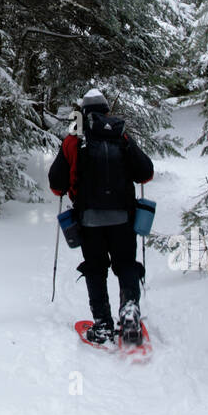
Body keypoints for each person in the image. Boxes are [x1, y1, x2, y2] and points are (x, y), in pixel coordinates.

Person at [48, 88, 154, 345]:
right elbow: (145, 173)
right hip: (123, 218)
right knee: (126, 265)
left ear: (83, 112)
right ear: (107, 111)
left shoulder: (74, 140)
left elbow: (56, 184)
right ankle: (129, 312)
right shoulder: (121, 135)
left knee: (96, 269)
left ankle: (104, 325)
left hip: (89, 220)